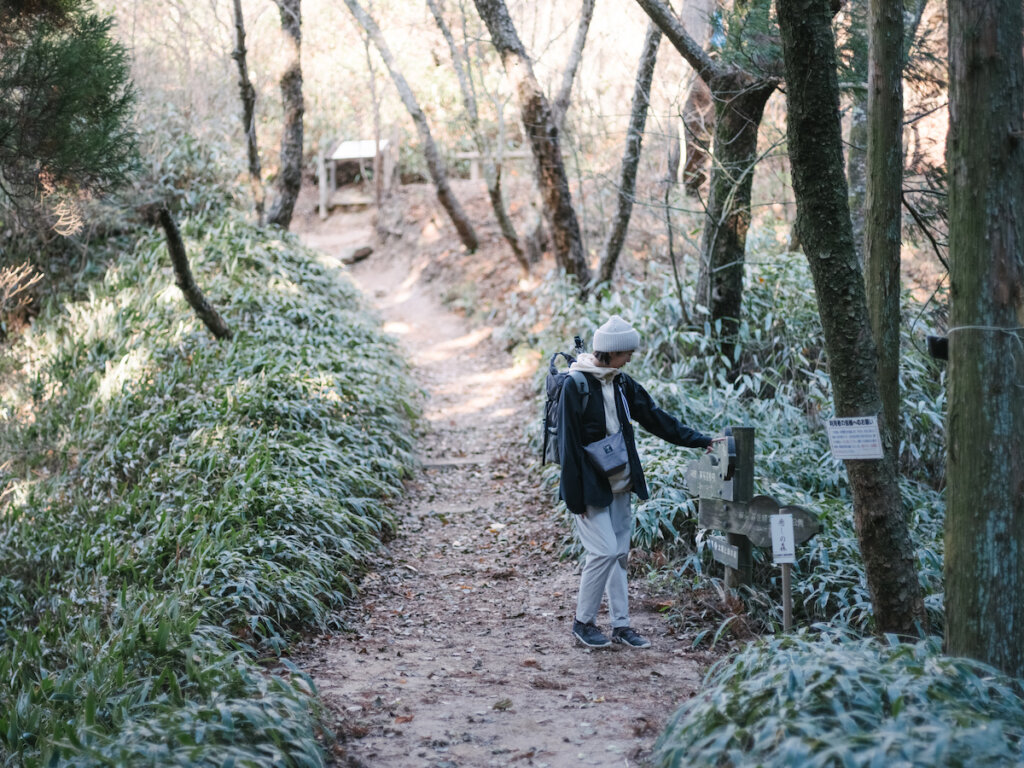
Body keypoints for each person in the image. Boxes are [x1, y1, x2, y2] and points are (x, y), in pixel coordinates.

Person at [558, 315, 716, 649]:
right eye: (627, 351)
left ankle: (621, 626)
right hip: (589, 489)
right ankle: (582, 622)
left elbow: (657, 419)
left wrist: (699, 440)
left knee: (619, 555)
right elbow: (568, 447)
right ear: (611, 351)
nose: (631, 357)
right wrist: (575, 501)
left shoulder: (621, 383)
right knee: (603, 551)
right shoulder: (576, 385)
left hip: (621, 484)